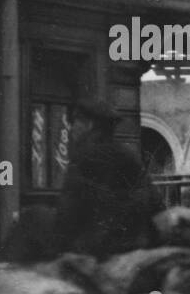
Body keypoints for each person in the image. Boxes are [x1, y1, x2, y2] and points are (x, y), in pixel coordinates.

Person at [55, 98, 163, 259]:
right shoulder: (128, 156)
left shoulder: (84, 157)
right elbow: (155, 203)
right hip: (137, 241)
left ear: (89, 125)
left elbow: (69, 211)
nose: (72, 129)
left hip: (95, 247)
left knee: (32, 218)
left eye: (76, 121)